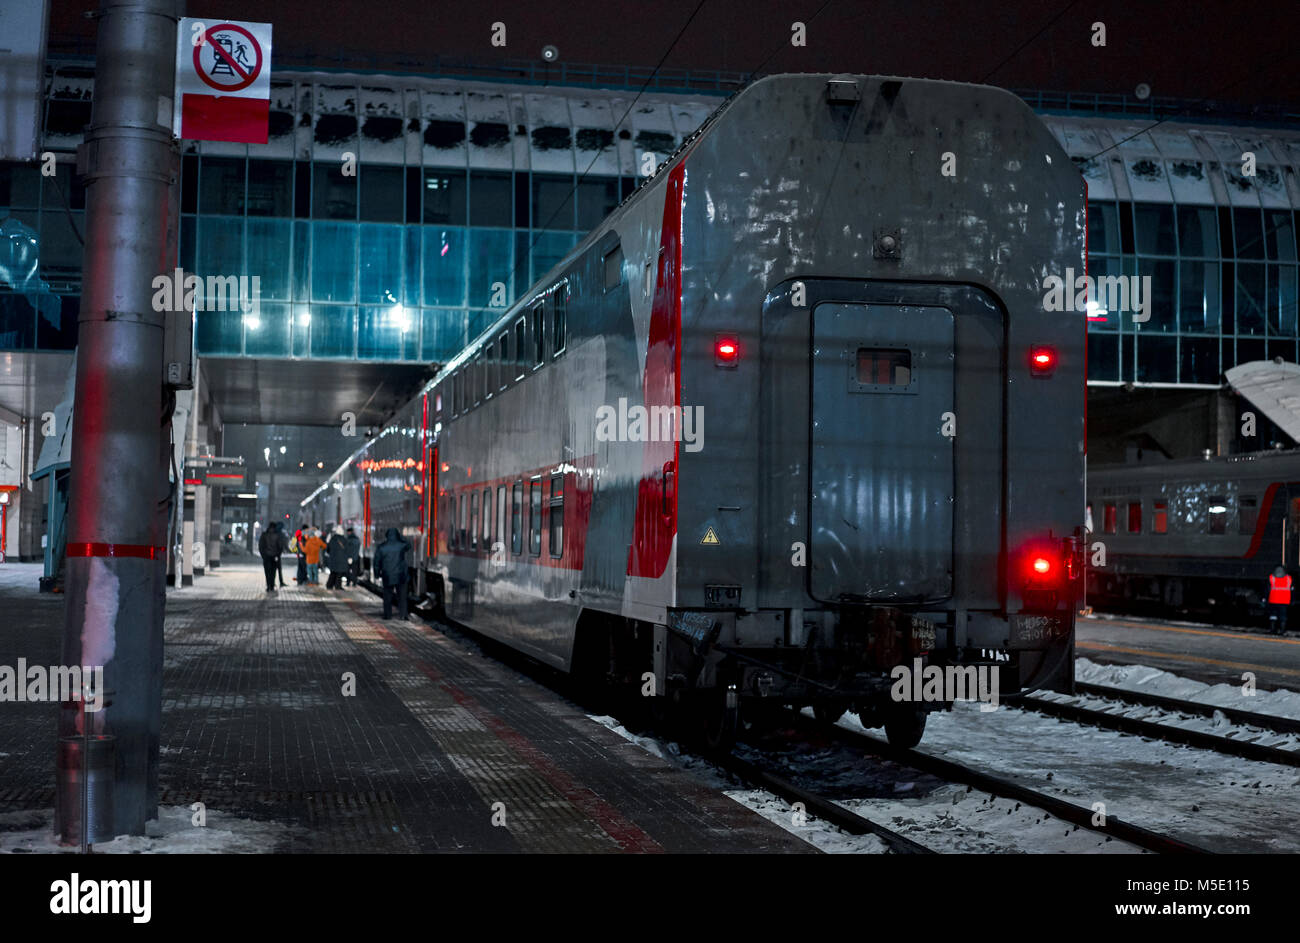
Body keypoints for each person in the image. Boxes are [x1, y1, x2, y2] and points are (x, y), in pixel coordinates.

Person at [374, 527, 411, 619]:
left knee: (387, 597)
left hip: (387, 575)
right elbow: (409, 545)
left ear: (387, 535)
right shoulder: (401, 545)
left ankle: (387, 615)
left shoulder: (381, 547)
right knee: (402, 597)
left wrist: (377, 574)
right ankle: (403, 615)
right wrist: (401, 537)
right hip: (401, 575)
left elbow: (376, 562)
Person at [257, 521, 284, 593]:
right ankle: (272, 585)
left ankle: (268, 585)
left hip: (266, 556)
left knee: (267, 572)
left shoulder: (264, 535)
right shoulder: (277, 535)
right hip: (274, 556)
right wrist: (278, 555)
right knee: (273, 571)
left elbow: (261, 546)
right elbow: (280, 546)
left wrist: (263, 555)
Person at [1267, 565, 1292, 635]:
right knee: (1283, 616)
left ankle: (1272, 629)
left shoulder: (1272, 578)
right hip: (1284, 601)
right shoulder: (1288, 578)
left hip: (1273, 600)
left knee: (1273, 616)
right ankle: (1282, 631)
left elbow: (1267, 589)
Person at [275, 522, 289, 587]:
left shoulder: (274, 533)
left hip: (272, 554)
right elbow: (284, 543)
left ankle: (272, 582)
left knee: (273, 569)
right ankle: (280, 582)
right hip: (277, 554)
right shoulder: (281, 534)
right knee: (279, 569)